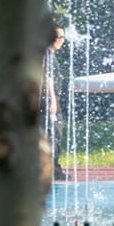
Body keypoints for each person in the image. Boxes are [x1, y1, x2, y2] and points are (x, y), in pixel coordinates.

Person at [44, 24, 68, 181]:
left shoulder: (49, 53)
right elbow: (48, 78)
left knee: (52, 134)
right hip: (49, 100)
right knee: (54, 134)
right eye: (57, 36)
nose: (60, 40)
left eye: (62, 37)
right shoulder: (46, 54)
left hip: (50, 100)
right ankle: (52, 170)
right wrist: (52, 100)